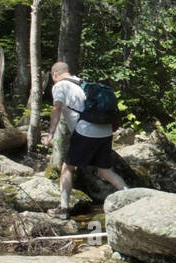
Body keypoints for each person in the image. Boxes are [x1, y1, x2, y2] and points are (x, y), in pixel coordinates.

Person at [42, 61, 125, 216]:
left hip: (86, 130)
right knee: (104, 170)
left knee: (67, 168)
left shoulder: (60, 86)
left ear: (54, 74)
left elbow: (57, 107)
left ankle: (64, 208)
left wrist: (51, 132)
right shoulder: (82, 83)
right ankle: (129, 195)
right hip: (105, 130)